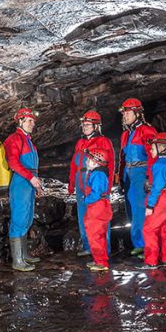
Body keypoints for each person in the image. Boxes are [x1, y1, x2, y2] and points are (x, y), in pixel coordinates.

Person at [68, 110, 115, 257]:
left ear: (96, 126)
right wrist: (71, 183)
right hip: (80, 180)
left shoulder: (103, 141)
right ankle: (89, 246)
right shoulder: (80, 143)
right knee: (84, 216)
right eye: (83, 124)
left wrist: (108, 187)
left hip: (93, 181)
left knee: (99, 216)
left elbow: (111, 164)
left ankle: (103, 249)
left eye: (88, 124)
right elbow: (73, 166)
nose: (85, 127)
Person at [4, 107, 44, 271]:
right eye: (29, 121)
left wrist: (37, 184)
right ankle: (17, 260)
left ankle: (25, 255)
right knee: (19, 219)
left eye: (33, 121)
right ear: (20, 121)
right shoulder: (14, 139)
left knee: (27, 218)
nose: (32, 124)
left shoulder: (29, 141)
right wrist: (31, 178)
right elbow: (13, 163)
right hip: (21, 182)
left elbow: (33, 167)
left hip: (29, 182)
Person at [118, 98, 157, 257]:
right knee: (131, 210)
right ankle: (138, 244)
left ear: (137, 113)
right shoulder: (126, 134)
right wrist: (120, 177)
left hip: (141, 172)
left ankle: (147, 245)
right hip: (129, 174)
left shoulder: (147, 131)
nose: (125, 116)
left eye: (127, 112)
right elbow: (122, 157)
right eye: (124, 113)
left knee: (141, 209)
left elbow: (153, 155)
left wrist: (150, 177)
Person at [142, 132, 166, 269]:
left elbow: (157, 188)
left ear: (162, 147)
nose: (151, 150)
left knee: (149, 229)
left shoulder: (159, 165)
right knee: (164, 229)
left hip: (160, 199)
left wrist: (151, 205)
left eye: (153, 147)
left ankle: (151, 261)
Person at [79, 148, 113, 272]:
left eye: (89, 159)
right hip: (100, 207)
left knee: (95, 235)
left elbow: (96, 193)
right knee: (99, 235)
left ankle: (101, 263)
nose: (87, 161)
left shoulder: (97, 174)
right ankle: (100, 259)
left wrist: (86, 199)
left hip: (97, 208)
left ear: (96, 162)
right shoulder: (99, 173)